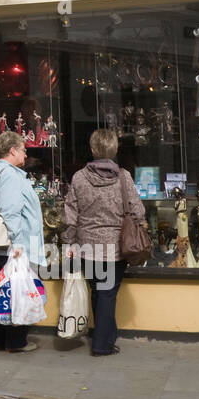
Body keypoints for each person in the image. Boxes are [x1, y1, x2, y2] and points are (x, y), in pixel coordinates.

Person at [61, 128, 147, 357]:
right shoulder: (124, 177)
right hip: (114, 249)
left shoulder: (79, 177)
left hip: (86, 247)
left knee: (97, 292)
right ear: (115, 149)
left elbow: (70, 215)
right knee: (107, 294)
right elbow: (138, 211)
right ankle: (102, 344)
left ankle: (102, 336)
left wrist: (68, 242)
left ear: (92, 150)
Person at [0, 130, 44, 353]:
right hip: (9, 245)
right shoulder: (11, 175)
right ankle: (16, 341)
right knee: (17, 290)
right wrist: (16, 244)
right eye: (23, 150)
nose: (25, 155)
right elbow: (11, 212)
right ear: (12, 150)